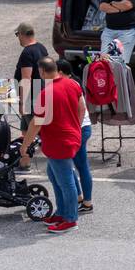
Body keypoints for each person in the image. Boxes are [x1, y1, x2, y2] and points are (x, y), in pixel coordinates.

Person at [16, 58, 85, 233]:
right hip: (70, 138)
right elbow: (81, 107)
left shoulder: (46, 93)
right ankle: (62, 212)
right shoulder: (73, 84)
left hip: (58, 142)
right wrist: (75, 126)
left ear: (42, 72)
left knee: (65, 181)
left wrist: (25, 146)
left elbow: (35, 124)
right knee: (54, 177)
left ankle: (70, 219)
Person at [56, 59, 94, 214]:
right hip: (80, 128)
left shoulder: (71, 85)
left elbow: (81, 109)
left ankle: (86, 202)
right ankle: (80, 199)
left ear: (60, 72)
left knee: (78, 165)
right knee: (70, 165)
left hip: (79, 129)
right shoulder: (71, 83)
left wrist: (75, 130)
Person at [13, 22, 47, 139]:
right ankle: (28, 153)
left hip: (31, 98)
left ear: (22, 34)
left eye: (17, 34)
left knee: (36, 132)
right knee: (25, 131)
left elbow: (26, 79)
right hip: (40, 93)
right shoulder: (41, 47)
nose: (18, 38)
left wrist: (22, 104)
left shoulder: (27, 53)